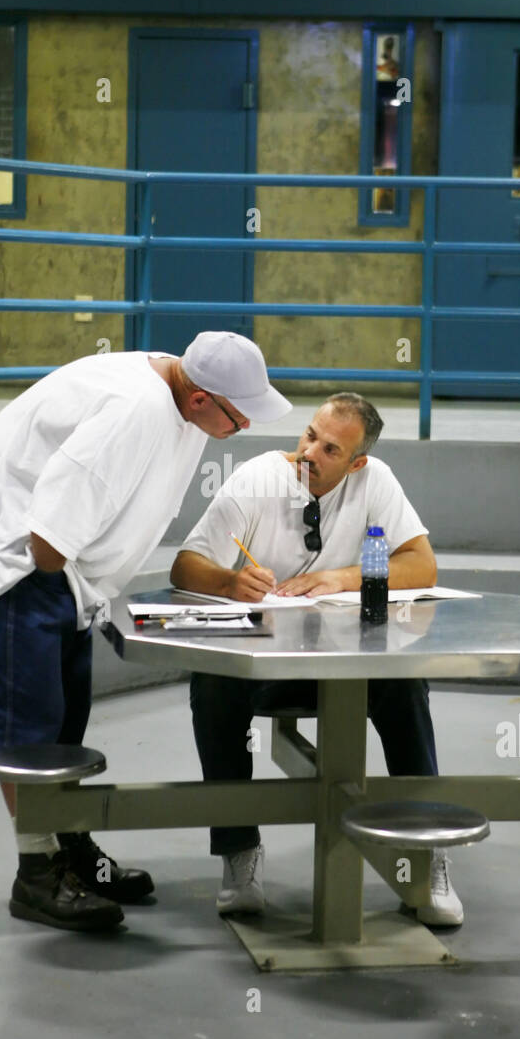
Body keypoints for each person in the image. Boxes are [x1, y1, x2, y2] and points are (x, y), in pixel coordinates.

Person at [0, 332, 292, 933]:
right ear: (202, 399)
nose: (241, 428)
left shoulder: (178, 399)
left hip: (66, 574)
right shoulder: (136, 413)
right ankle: (37, 872)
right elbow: (48, 542)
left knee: (66, 719)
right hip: (18, 563)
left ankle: (69, 850)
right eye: (237, 417)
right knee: (31, 732)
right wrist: (72, 576)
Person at [170, 391, 463, 927]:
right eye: (309, 435)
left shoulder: (376, 482)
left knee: (406, 684)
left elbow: (422, 565)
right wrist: (230, 581)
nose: (309, 453)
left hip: (350, 667)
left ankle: (426, 856)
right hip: (270, 668)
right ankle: (238, 852)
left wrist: (341, 578)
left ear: (357, 463)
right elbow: (185, 566)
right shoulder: (258, 478)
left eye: (330, 449)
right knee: (212, 685)